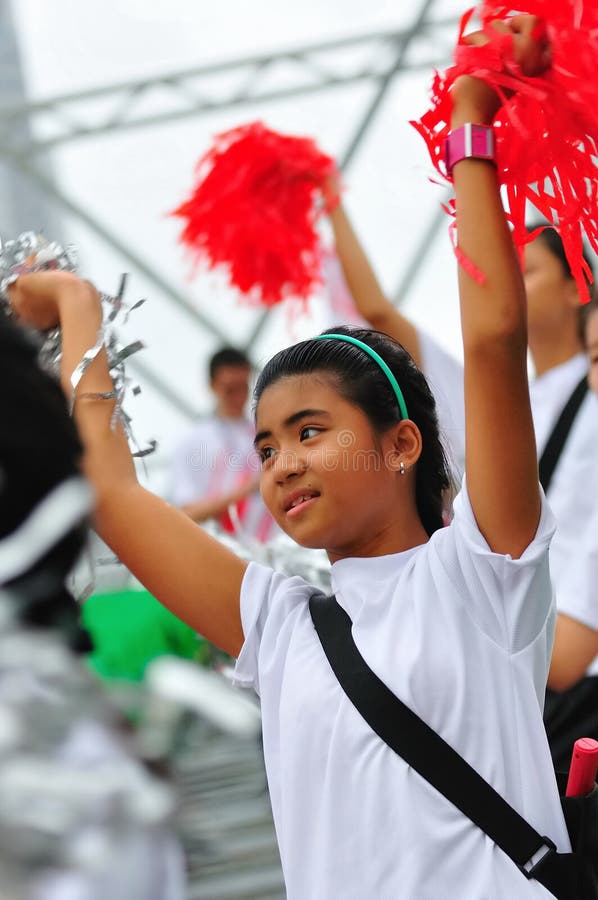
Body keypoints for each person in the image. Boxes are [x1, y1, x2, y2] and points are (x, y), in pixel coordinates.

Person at [7, 16, 571, 897]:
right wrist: (81, 308)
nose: (280, 465)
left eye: (312, 431)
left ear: (403, 444)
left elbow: (494, 338)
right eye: (267, 446)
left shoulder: (484, 571)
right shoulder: (278, 624)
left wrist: (470, 114)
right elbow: (111, 492)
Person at [170, 345, 276, 542]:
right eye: (230, 389)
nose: (238, 397)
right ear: (212, 386)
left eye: (243, 387)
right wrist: (246, 490)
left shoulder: (265, 430)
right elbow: (187, 514)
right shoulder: (192, 442)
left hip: (273, 549)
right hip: (218, 549)